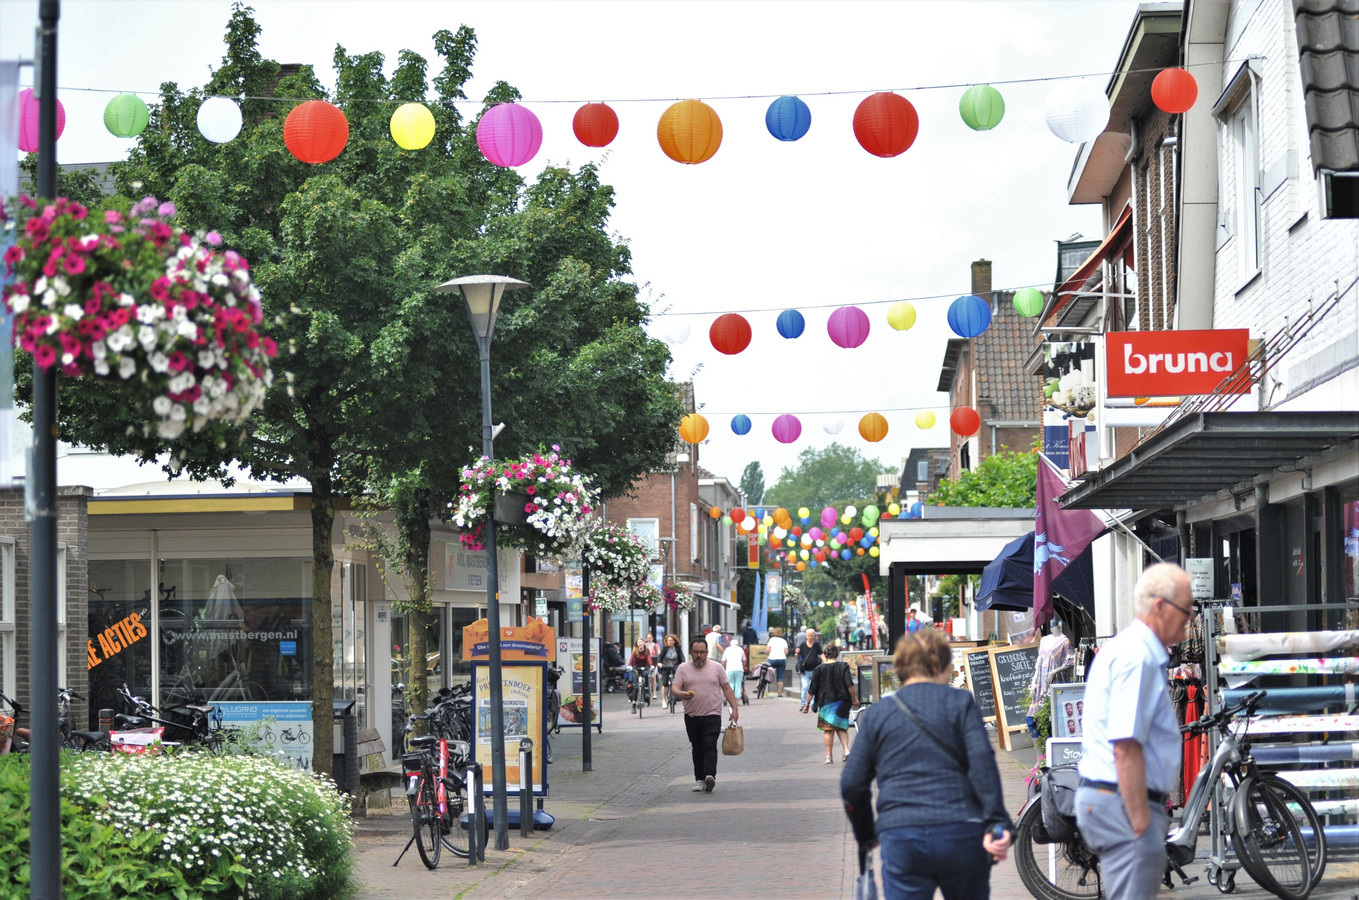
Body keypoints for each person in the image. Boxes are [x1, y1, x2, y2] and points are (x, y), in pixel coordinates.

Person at [841, 628, 1012, 899]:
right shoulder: (960, 703)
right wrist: (997, 822)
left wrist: (867, 834)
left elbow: (851, 784)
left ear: (900, 667)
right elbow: (982, 763)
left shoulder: (877, 715)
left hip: (901, 834)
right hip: (960, 830)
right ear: (940, 666)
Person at [1076, 563, 1192, 900]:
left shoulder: (1130, 651)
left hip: (1115, 800)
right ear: (1160, 606)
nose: (1189, 621)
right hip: (1124, 803)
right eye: (1185, 610)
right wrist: (1140, 820)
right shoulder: (1137, 658)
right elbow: (1125, 744)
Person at [672, 637, 740, 792]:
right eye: (695, 652)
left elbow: (727, 688)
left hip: (712, 714)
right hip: (691, 715)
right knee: (697, 747)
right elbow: (675, 688)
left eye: (702, 652)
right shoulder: (683, 668)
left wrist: (734, 709)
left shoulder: (716, 668)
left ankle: (710, 775)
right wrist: (682, 694)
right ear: (690, 652)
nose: (699, 656)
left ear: (707, 652)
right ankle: (699, 779)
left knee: (709, 744)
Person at [801, 644, 857, 763]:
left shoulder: (819, 669)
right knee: (841, 727)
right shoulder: (843, 666)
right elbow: (850, 685)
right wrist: (854, 699)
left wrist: (807, 704)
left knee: (828, 729)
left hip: (826, 702)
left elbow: (812, 689)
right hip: (842, 701)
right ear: (837, 654)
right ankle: (846, 750)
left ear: (825, 655)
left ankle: (828, 756)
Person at [796, 628, 822, 706]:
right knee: (805, 687)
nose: (810, 637)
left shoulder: (816, 645)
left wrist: (826, 662)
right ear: (806, 636)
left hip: (815, 670)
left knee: (813, 687)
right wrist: (797, 653)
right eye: (808, 635)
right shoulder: (803, 645)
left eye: (811, 635)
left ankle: (812, 704)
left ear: (814, 636)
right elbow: (797, 656)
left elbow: (821, 654)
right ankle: (803, 704)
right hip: (805, 670)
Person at [657, 633, 684, 706]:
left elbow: (682, 656)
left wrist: (683, 663)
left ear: (674, 641)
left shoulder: (677, 648)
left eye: (671, 640)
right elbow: (660, 656)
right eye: (668, 640)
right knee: (665, 683)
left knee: (677, 680)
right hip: (665, 666)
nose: (669, 642)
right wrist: (659, 663)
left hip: (675, 666)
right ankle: (664, 699)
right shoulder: (665, 648)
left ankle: (677, 694)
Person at [628, 639, 653, 713]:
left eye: (641, 642)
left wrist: (651, 665)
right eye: (638, 642)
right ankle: (634, 704)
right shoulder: (635, 650)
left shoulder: (646, 650)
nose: (640, 643)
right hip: (636, 669)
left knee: (646, 674)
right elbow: (631, 659)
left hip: (644, 668)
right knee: (635, 687)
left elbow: (649, 658)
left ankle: (646, 691)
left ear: (644, 643)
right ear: (637, 644)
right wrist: (629, 666)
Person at [765, 627, 789, 697]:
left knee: (764, 670)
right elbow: (786, 652)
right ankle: (779, 692)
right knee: (780, 676)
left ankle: (758, 686)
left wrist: (768, 653)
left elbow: (768, 650)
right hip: (782, 660)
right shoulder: (784, 641)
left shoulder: (771, 640)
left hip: (772, 659)